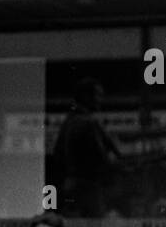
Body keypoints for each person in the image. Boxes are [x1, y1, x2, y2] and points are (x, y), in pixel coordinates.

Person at [50, 77, 121, 217]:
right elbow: (102, 158)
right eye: (98, 95)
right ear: (85, 96)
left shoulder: (68, 121)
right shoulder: (89, 123)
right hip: (88, 189)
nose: (100, 100)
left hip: (70, 186)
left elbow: (57, 155)